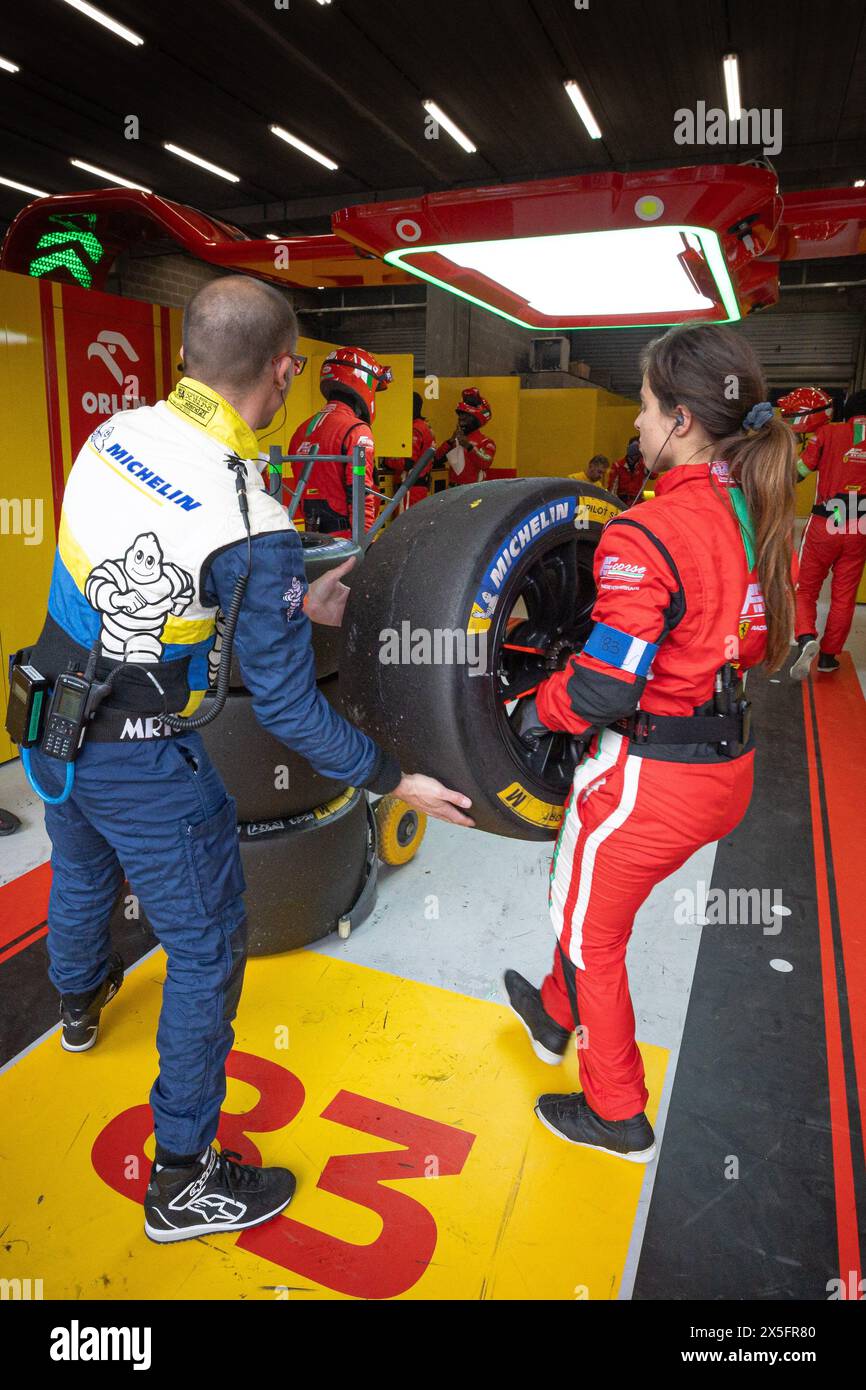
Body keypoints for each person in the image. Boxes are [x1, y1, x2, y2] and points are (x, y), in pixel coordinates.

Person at [22, 276, 472, 1243]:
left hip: (48, 723)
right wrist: (400, 781)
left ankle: (77, 1002)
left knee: (82, 867)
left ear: (188, 354)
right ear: (284, 370)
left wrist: (288, 604)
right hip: (142, 758)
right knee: (207, 949)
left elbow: (142, 589)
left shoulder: (113, 435)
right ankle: (182, 1179)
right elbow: (288, 710)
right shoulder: (253, 519)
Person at [504, 323, 796, 1162]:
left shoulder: (646, 531)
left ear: (677, 420)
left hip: (650, 778)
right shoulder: (748, 509)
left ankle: (617, 1113)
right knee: (589, 899)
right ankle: (555, 1013)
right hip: (726, 770)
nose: (634, 424)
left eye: (640, 406)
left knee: (592, 929)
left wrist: (537, 706)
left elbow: (602, 686)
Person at [782, 386, 866, 677]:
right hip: (860, 526)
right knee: (845, 595)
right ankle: (829, 657)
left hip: (825, 522)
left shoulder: (829, 434)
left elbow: (799, 473)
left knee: (805, 588)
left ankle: (806, 637)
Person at [286, 345, 392, 535]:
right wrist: (364, 542)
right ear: (362, 381)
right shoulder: (357, 431)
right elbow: (361, 494)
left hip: (311, 538)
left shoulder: (301, 430)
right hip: (345, 542)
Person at [381, 392, 436, 509]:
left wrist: (386, 460)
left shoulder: (414, 429)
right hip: (421, 486)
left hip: (411, 488)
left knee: (405, 524)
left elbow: (408, 463)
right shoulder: (426, 427)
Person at [435, 387, 496, 485]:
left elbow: (485, 463)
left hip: (473, 490)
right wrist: (450, 441)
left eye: (465, 415)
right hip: (452, 490)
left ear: (475, 419)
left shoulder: (486, 442)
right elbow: (437, 459)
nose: (460, 418)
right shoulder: (455, 440)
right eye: (460, 415)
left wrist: (468, 446)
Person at [609, 437, 647, 502]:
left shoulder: (643, 465)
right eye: (633, 447)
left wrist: (646, 456)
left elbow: (653, 475)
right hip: (621, 500)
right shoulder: (618, 465)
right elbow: (612, 488)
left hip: (637, 501)